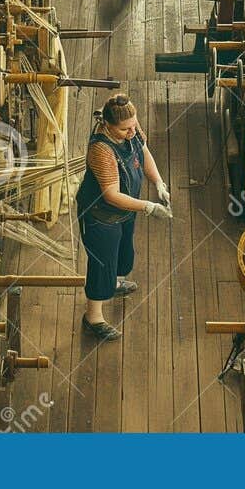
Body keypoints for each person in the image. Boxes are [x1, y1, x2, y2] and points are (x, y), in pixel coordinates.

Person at [75, 94, 173, 341]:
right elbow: (111, 195)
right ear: (108, 125)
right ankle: (93, 318)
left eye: (133, 125)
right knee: (102, 263)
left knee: (123, 251)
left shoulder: (130, 127)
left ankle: (116, 283)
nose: (131, 131)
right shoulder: (101, 149)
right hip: (101, 215)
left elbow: (143, 151)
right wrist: (148, 207)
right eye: (124, 129)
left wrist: (158, 182)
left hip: (127, 208)